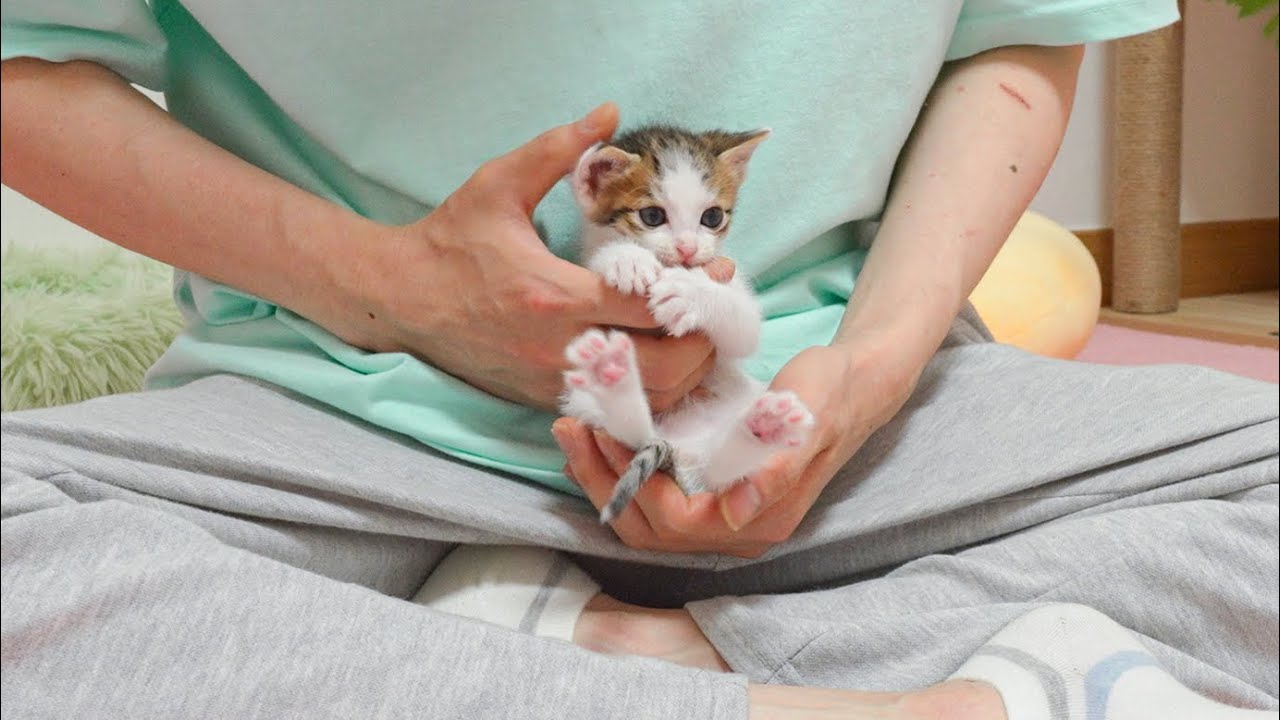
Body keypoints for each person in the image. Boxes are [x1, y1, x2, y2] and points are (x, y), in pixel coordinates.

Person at [1, 1, 1276, 718]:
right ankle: (947, 695)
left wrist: (869, 372)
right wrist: (396, 294)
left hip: (840, 419)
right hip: (345, 413)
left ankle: (616, 651)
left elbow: (1018, 28)